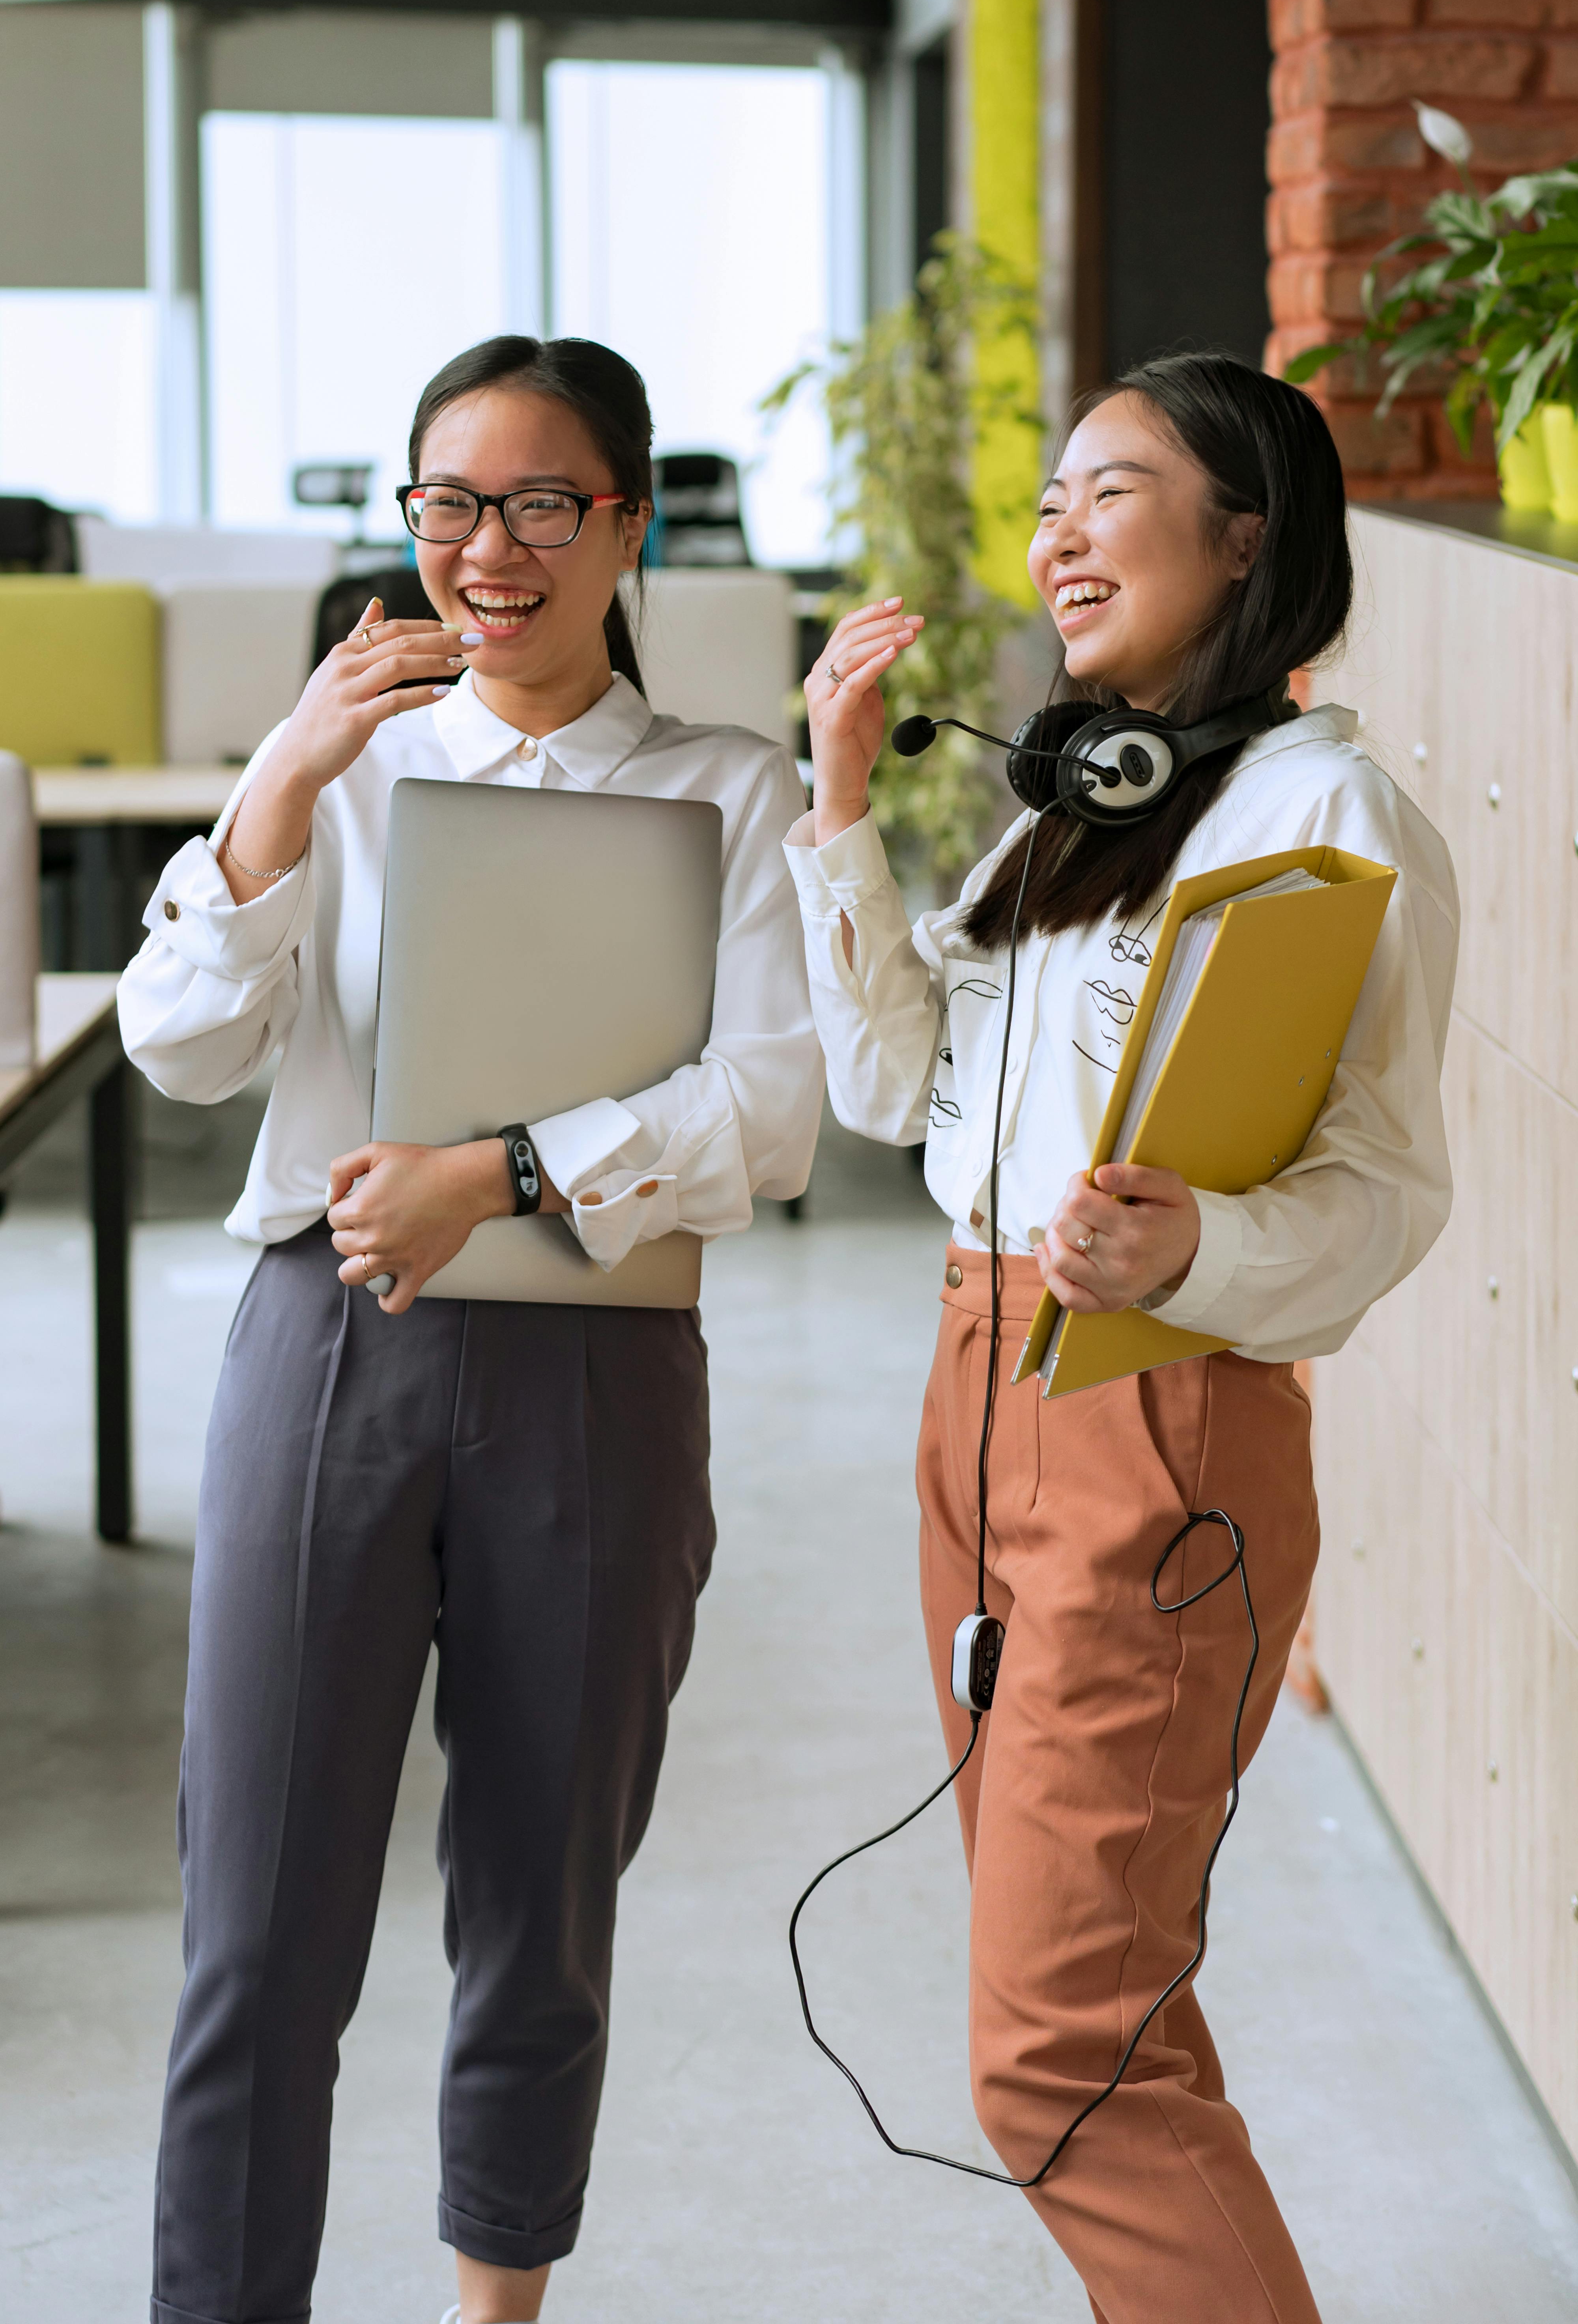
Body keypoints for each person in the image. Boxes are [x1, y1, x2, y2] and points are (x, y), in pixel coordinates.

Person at [119, 333, 822, 2324]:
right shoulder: (343, 767)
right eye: (446, 504)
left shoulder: (726, 792)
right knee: (256, 1919)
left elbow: (770, 1110)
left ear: (628, 522)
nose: (485, 549)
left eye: (536, 504)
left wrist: (504, 1170)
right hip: (323, 1343)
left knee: (541, 1901)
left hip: (596, 1365)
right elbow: (184, 1051)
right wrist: (277, 787)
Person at [785, 351, 1457, 2323]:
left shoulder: (1331, 815)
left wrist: (1195, 1248)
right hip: (972, 1408)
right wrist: (841, 815)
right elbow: (892, 1095)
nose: (1054, 532)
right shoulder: (1070, 803)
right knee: (1094, 2031)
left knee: (1059, 2052)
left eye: (1111, 490)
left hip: (1152, 1435)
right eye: (1051, 499)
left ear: (1246, 535)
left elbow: (1383, 1196)